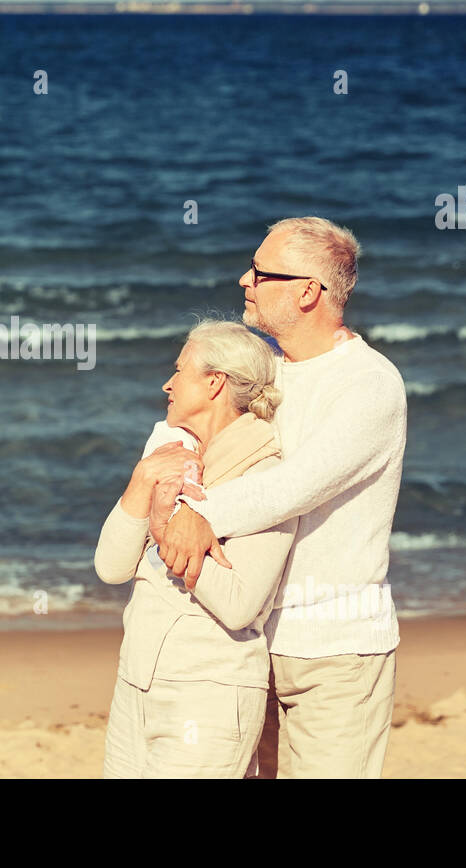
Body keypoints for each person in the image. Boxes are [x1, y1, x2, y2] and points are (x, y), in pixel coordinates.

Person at [159, 216, 408, 779]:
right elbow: (196, 428)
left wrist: (202, 515)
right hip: (245, 640)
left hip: (336, 648)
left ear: (307, 292)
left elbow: (298, 485)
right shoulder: (265, 371)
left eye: (260, 271)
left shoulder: (370, 384)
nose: (244, 279)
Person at [95, 319, 297, 778]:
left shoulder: (264, 476)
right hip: (136, 684)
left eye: (179, 371)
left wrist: (167, 531)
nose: (167, 383)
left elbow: (240, 602)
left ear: (214, 382)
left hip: (208, 695)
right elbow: (110, 567)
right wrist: (142, 480)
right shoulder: (169, 458)